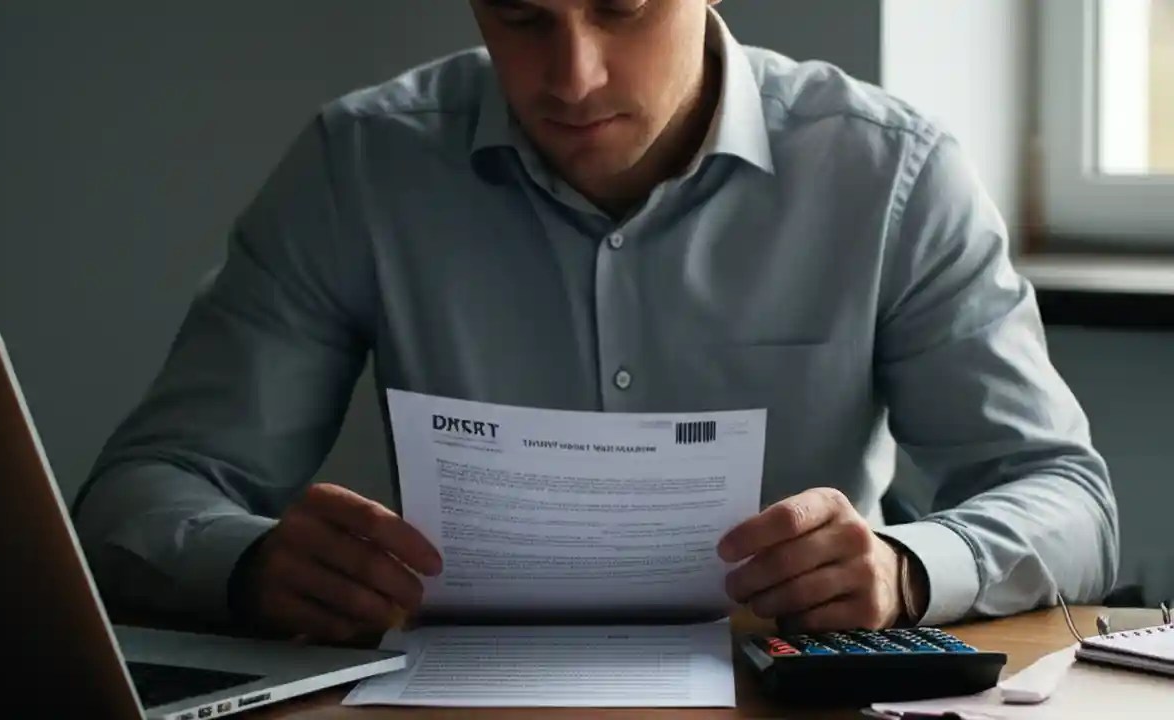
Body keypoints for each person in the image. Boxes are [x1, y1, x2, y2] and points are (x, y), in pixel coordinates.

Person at [73, 0, 1119, 643]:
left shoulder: (890, 174)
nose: (570, 78)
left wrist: (902, 569)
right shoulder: (360, 167)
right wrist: (249, 563)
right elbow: (136, 495)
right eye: (520, 16)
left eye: (619, 6)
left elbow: (1063, 498)